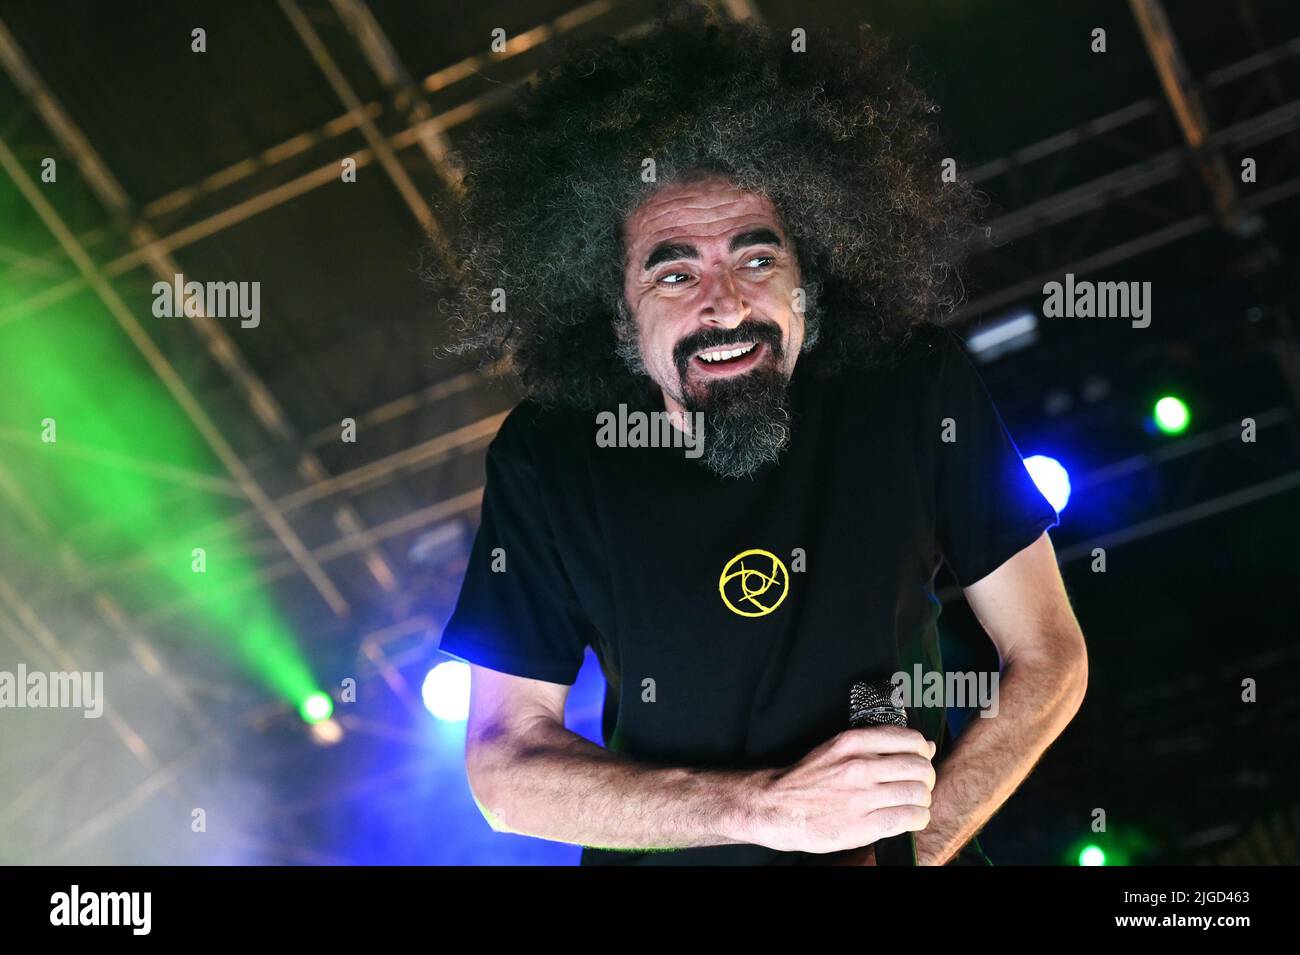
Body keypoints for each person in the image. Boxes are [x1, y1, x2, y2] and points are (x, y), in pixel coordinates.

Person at [427, 3, 1088, 865]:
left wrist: (920, 847)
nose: (727, 303)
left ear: (811, 273)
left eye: (757, 257)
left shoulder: (909, 384)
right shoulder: (550, 456)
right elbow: (504, 768)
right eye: (675, 271)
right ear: (618, 316)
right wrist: (768, 811)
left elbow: (1049, 657)